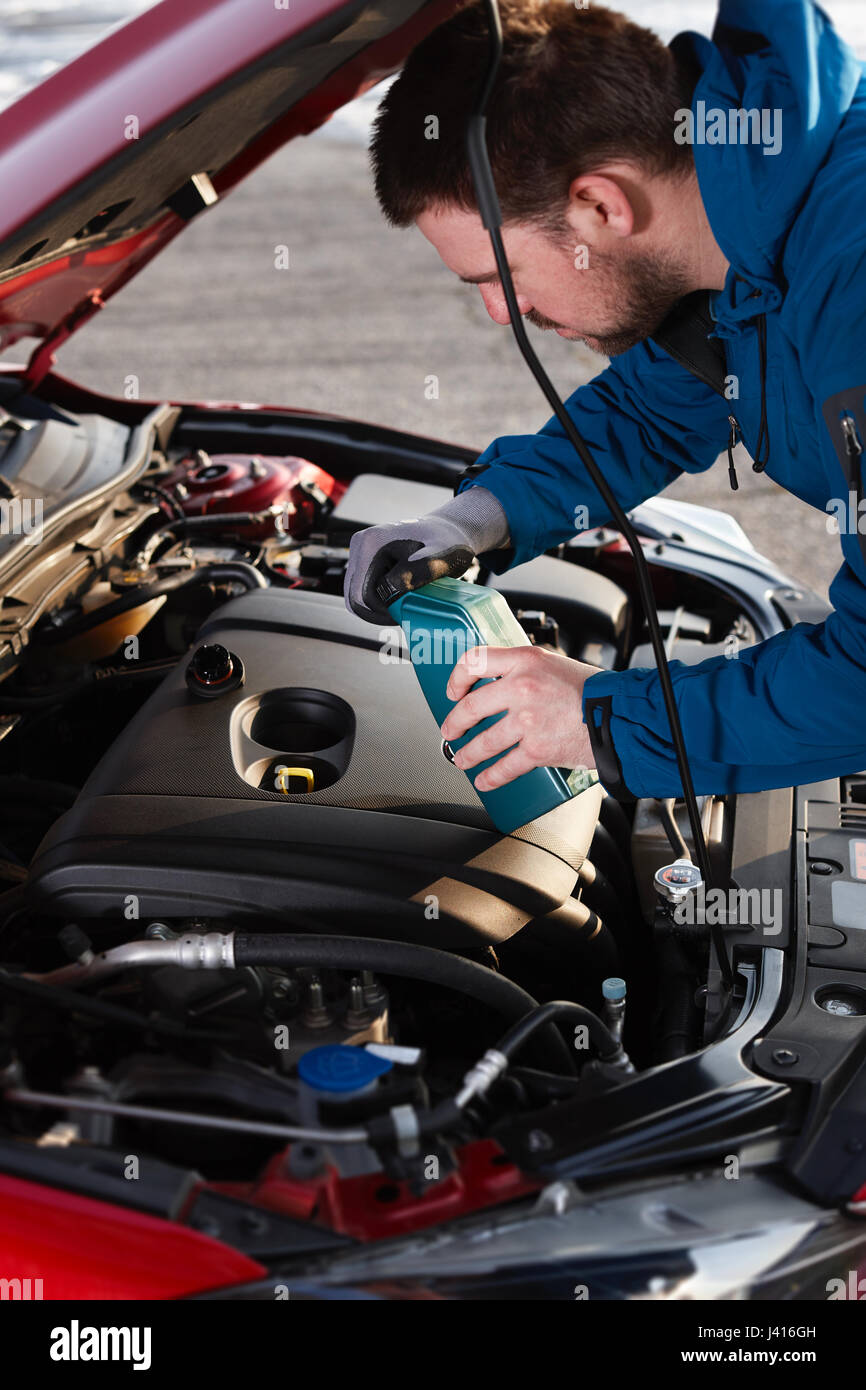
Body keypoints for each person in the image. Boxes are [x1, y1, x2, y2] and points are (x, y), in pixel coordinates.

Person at [345, 0, 866, 800]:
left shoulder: (851, 276)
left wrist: (596, 720)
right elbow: (654, 409)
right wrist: (471, 522)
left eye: (499, 276)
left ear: (601, 207)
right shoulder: (744, 217)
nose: (499, 313)